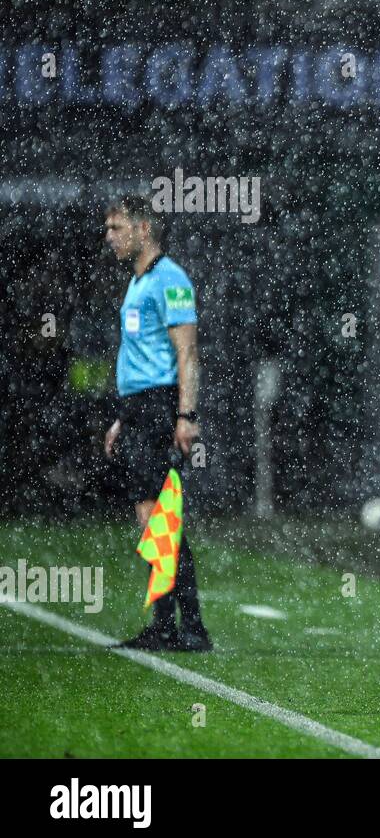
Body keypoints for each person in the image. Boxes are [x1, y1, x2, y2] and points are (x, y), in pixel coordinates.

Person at [103, 196, 211, 652]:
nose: (110, 236)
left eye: (117, 227)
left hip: (159, 409)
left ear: (143, 228)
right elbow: (139, 357)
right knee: (153, 518)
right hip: (138, 411)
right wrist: (121, 419)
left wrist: (185, 416)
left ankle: (188, 628)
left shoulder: (170, 280)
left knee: (159, 518)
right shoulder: (137, 282)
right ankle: (170, 625)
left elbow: (187, 353)